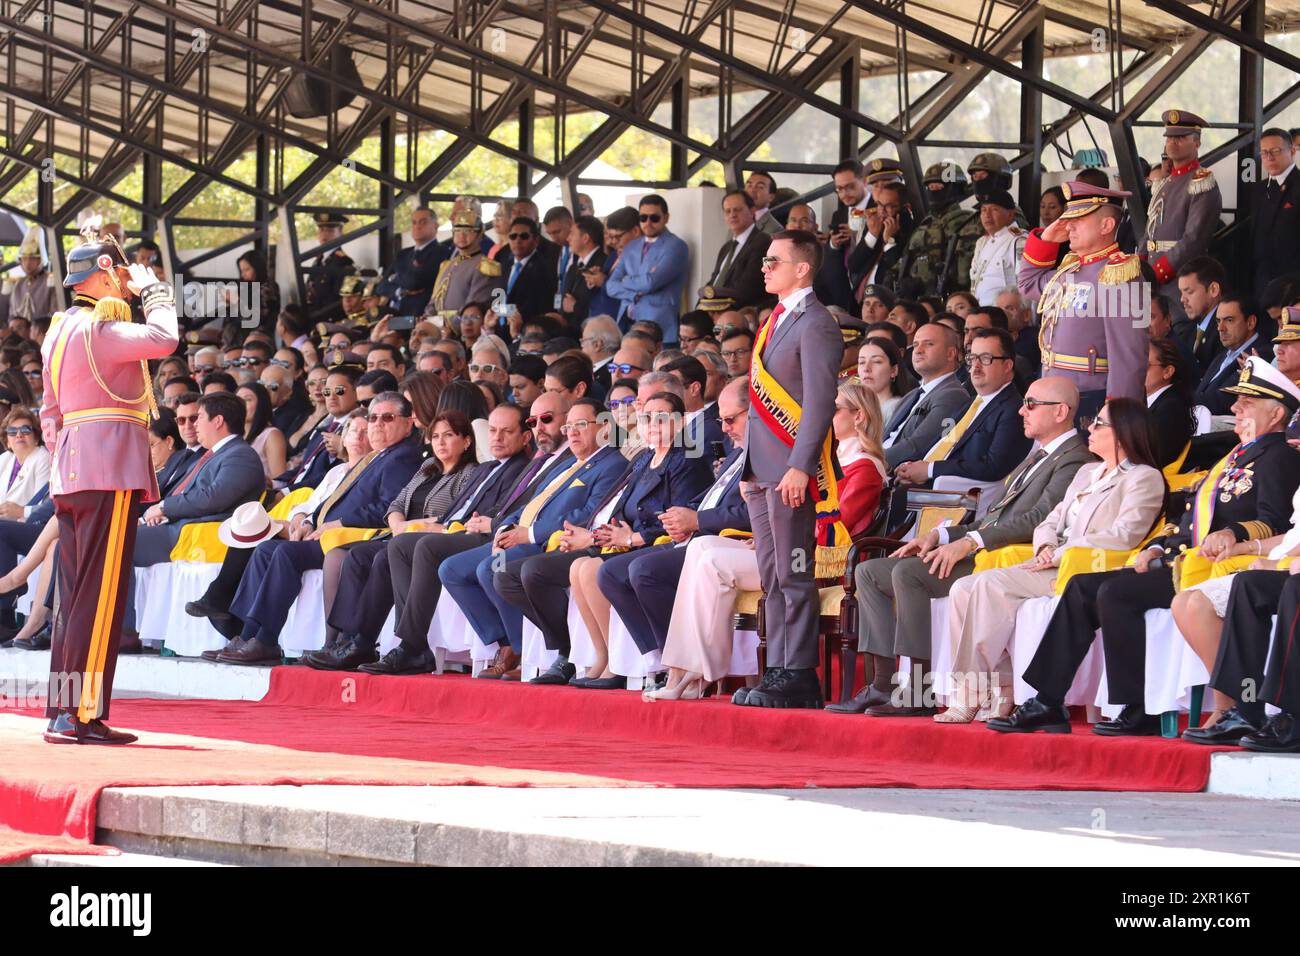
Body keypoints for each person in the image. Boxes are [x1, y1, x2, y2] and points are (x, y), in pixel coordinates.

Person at [999, 357, 1300, 736]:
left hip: (1217, 564)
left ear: (1276, 414)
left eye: (1247, 403)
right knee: (1082, 587)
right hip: (1183, 559)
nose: (1236, 409)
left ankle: (1142, 708)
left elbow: (1276, 521)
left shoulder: (1278, 456)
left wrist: (1234, 533)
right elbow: (1188, 517)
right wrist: (1159, 546)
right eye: (1237, 402)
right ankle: (1047, 700)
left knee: (1114, 593)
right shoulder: (1234, 457)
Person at [837, 377, 1091, 715]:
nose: (1021, 411)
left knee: (909, 574)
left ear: (1060, 412)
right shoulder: (1037, 456)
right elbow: (991, 519)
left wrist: (970, 542)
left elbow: (1037, 520)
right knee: (869, 572)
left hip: (1009, 559)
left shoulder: (1074, 459)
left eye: (1031, 404)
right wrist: (939, 536)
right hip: (984, 549)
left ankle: (918, 692)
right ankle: (882, 683)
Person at [936, 397, 1166, 722]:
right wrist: (1045, 545)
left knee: (988, 585)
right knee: (962, 588)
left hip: (1082, 566)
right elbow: (1051, 519)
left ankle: (969, 692)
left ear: (1123, 433)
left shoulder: (1143, 477)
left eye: (1099, 423)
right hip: (1049, 560)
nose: (1090, 428)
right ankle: (1003, 687)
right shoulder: (1087, 472)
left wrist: (1059, 554)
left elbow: (1124, 535)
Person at [657, 376, 884, 701]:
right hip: (783, 546)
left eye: (832, 410)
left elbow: (836, 525)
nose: (821, 417)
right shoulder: (821, 457)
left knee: (713, 561)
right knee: (700, 545)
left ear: (858, 415)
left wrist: (774, 534)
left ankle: (701, 671)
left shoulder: (864, 467)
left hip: (814, 560)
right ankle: (682, 667)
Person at [39, 222, 179, 745]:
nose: (126, 283)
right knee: (99, 597)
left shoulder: (57, 330)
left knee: (75, 594)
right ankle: (80, 714)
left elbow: (49, 412)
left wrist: (70, 456)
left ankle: (62, 709)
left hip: (71, 471)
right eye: (120, 274)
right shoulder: (100, 326)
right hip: (110, 470)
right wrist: (155, 291)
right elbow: (165, 339)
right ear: (103, 273)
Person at [500, 391, 714, 688]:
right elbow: (619, 508)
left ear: (678, 422)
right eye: (647, 418)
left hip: (661, 544)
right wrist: (595, 535)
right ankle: (602, 656)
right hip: (624, 541)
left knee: (590, 569)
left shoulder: (687, 460)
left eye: (661, 418)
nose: (652, 424)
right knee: (579, 568)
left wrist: (633, 537)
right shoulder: (644, 459)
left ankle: (628, 660)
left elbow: (680, 520)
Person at [204, 392, 425, 664]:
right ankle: (247, 635)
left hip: (353, 538)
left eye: (387, 418)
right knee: (265, 549)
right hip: (328, 533)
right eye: (373, 418)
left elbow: (387, 507)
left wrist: (338, 523)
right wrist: (310, 520)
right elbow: (334, 499)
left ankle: (266, 640)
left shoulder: (403, 457)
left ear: (408, 423)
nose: (377, 424)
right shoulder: (378, 456)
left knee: (285, 553)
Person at [438, 397, 630, 679]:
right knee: (451, 569)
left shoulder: (611, 463)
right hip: (519, 536)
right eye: (568, 427)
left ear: (604, 427)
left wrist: (528, 534)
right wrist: (505, 527)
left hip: (545, 542)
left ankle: (547, 649)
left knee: (494, 569)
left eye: (580, 424)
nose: (572, 432)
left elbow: (588, 514)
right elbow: (532, 503)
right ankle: (508, 642)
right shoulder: (569, 463)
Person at [733, 229, 842, 709]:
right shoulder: (773, 320)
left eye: (773, 261)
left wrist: (801, 466)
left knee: (794, 573)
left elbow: (819, 402)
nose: (764, 268)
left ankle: (798, 672)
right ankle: (776, 667)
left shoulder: (816, 323)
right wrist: (747, 467)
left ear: (802, 268)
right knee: (772, 575)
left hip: (791, 470)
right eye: (764, 261)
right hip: (762, 469)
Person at [309, 410, 479, 669]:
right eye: (435, 437)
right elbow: (397, 503)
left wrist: (410, 526)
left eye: (448, 436)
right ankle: (346, 640)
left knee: (381, 559)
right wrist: (399, 524)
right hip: (399, 535)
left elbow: (454, 516)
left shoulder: (470, 473)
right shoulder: (427, 467)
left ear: (466, 441)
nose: (440, 442)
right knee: (355, 556)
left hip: (426, 540)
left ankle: (365, 642)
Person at [1018, 180, 1148, 418]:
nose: (1068, 227)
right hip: (1052, 394)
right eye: (1068, 219)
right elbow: (1027, 284)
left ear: (1106, 225)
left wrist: (1117, 414)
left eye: (1078, 220)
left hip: (1089, 399)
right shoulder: (1069, 269)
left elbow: (1129, 356)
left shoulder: (1119, 274)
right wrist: (1046, 239)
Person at [1143, 110, 1222, 323]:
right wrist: (1141, 264)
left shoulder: (1201, 181)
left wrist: (1159, 270)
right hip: (1152, 279)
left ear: (1197, 143)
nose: (1172, 142)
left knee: (1178, 332)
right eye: (1169, 137)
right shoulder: (1164, 183)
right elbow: (1149, 229)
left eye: (1180, 137)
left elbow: (1194, 239)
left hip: (1179, 279)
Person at [606, 195, 690, 344]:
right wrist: (634, 294)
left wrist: (625, 280)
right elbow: (611, 286)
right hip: (627, 322)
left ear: (666, 218)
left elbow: (651, 282)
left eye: (654, 218)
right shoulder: (631, 246)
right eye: (643, 218)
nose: (648, 223)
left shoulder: (676, 246)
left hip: (658, 327)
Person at [1192, 295, 1269, 415]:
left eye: (1229, 320)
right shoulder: (1222, 355)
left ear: (1250, 322)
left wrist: (1178, 399)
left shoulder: (1259, 356)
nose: (1220, 328)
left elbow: (1220, 402)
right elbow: (1201, 392)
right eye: (1218, 321)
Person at [698, 190, 773, 313]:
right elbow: (714, 280)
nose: (732, 215)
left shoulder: (762, 242)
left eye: (737, 210)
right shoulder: (726, 248)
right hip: (712, 309)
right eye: (728, 211)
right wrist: (699, 306)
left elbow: (749, 288)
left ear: (752, 211)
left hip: (739, 312)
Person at [1250, 127, 1300, 296]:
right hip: (1261, 283)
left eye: (1276, 151)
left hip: (1292, 285)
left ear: (1292, 151)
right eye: (1264, 153)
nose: (1269, 157)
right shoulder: (1258, 189)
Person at [426, 210, 504, 316]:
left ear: (480, 235)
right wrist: (428, 318)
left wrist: (443, 322)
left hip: (465, 324)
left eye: (468, 231)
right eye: (457, 230)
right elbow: (433, 302)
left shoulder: (485, 266)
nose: (461, 235)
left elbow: (474, 309)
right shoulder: (446, 265)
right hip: (437, 324)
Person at [969, 191, 1027, 306]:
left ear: (1010, 214)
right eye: (983, 210)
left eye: (994, 209)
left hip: (1005, 312)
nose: (987, 215)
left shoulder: (1020, 240)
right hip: (980, 310)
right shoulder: (982, 242)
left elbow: (1026, 284)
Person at [1145, 337, 1195, 469]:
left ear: (1167, 372)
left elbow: (1155, 459)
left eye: (1145, 365)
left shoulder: (1170, 409)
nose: (1138, 369)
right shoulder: (1152, 401)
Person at [303, 212, 354, 323]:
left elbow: (341, 301)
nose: (324, 235)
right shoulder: (319, 260)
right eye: (321, 230)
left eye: (330, 231)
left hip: (329, 322)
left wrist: (314, 317)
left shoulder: (343, 262)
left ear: (340, 233)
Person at [0, 406, 50, 506]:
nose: (19, 435)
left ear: (36, 437)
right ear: (7, 441)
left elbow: (40, 506)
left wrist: (21, 512)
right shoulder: (4, 459)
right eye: (12, 431)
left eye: (25, 430)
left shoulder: (43, 458)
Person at [238, 382, 287, 481]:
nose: (241, 404)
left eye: (248, 400)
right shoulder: (234, 435)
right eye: (238, 400)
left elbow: (280, 480)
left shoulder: (271, 435)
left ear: (261, 404)